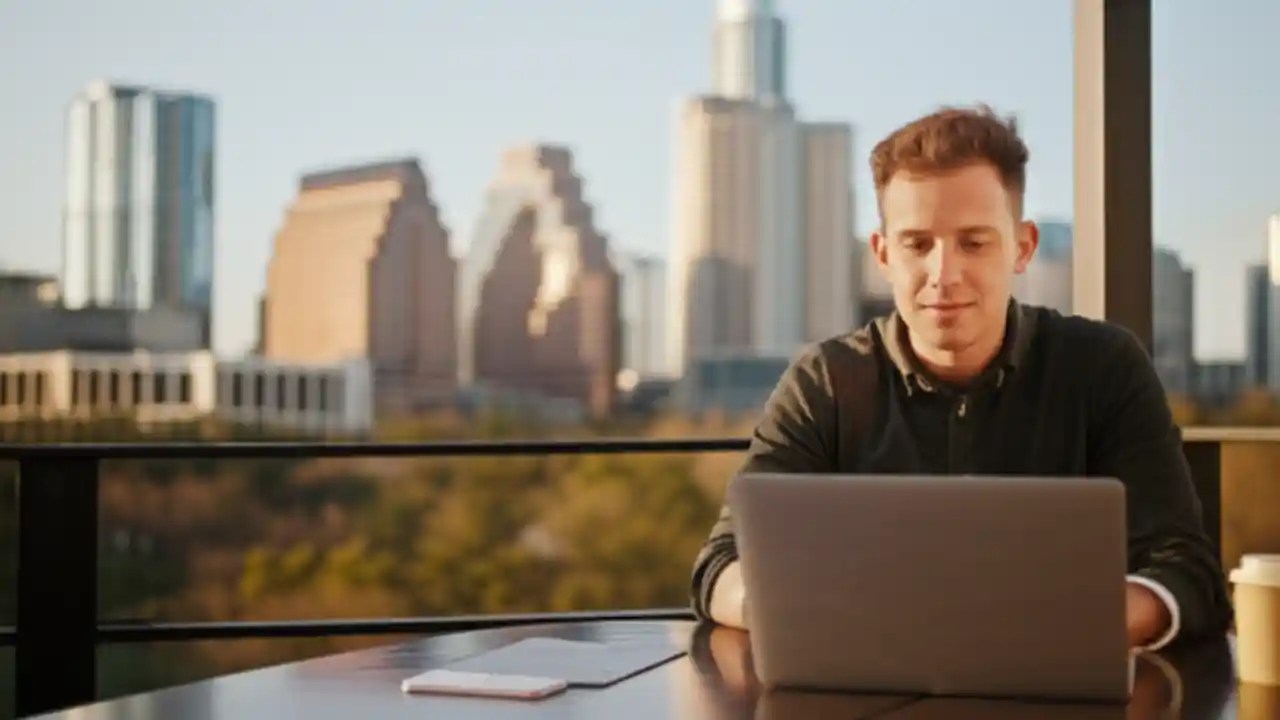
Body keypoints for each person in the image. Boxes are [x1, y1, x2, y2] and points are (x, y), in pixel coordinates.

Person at [689, 105, 1232, 650]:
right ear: (882, 254)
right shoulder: (823, 383)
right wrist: (799, 611)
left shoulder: (1104, 367)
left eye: (973, 242)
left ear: (1022, 247)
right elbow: (722, 563)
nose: (943, 275)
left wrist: (1054, 629)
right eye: (917, 244)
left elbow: (1186, 573)